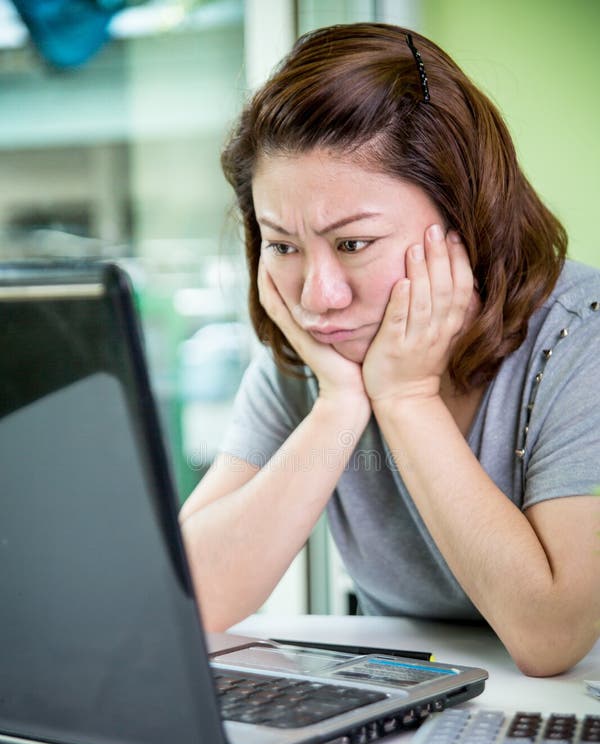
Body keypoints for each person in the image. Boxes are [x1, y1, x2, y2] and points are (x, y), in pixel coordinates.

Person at [179, 23, 600, 676]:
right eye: (283, 246)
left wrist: (406, 398)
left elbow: (549, 638)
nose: (318, 296)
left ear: (465, 220)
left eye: (353, 244)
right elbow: (183, 597)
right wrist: (341, 405)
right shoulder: (315, 352)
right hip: (415, 697)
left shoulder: (583, 336)